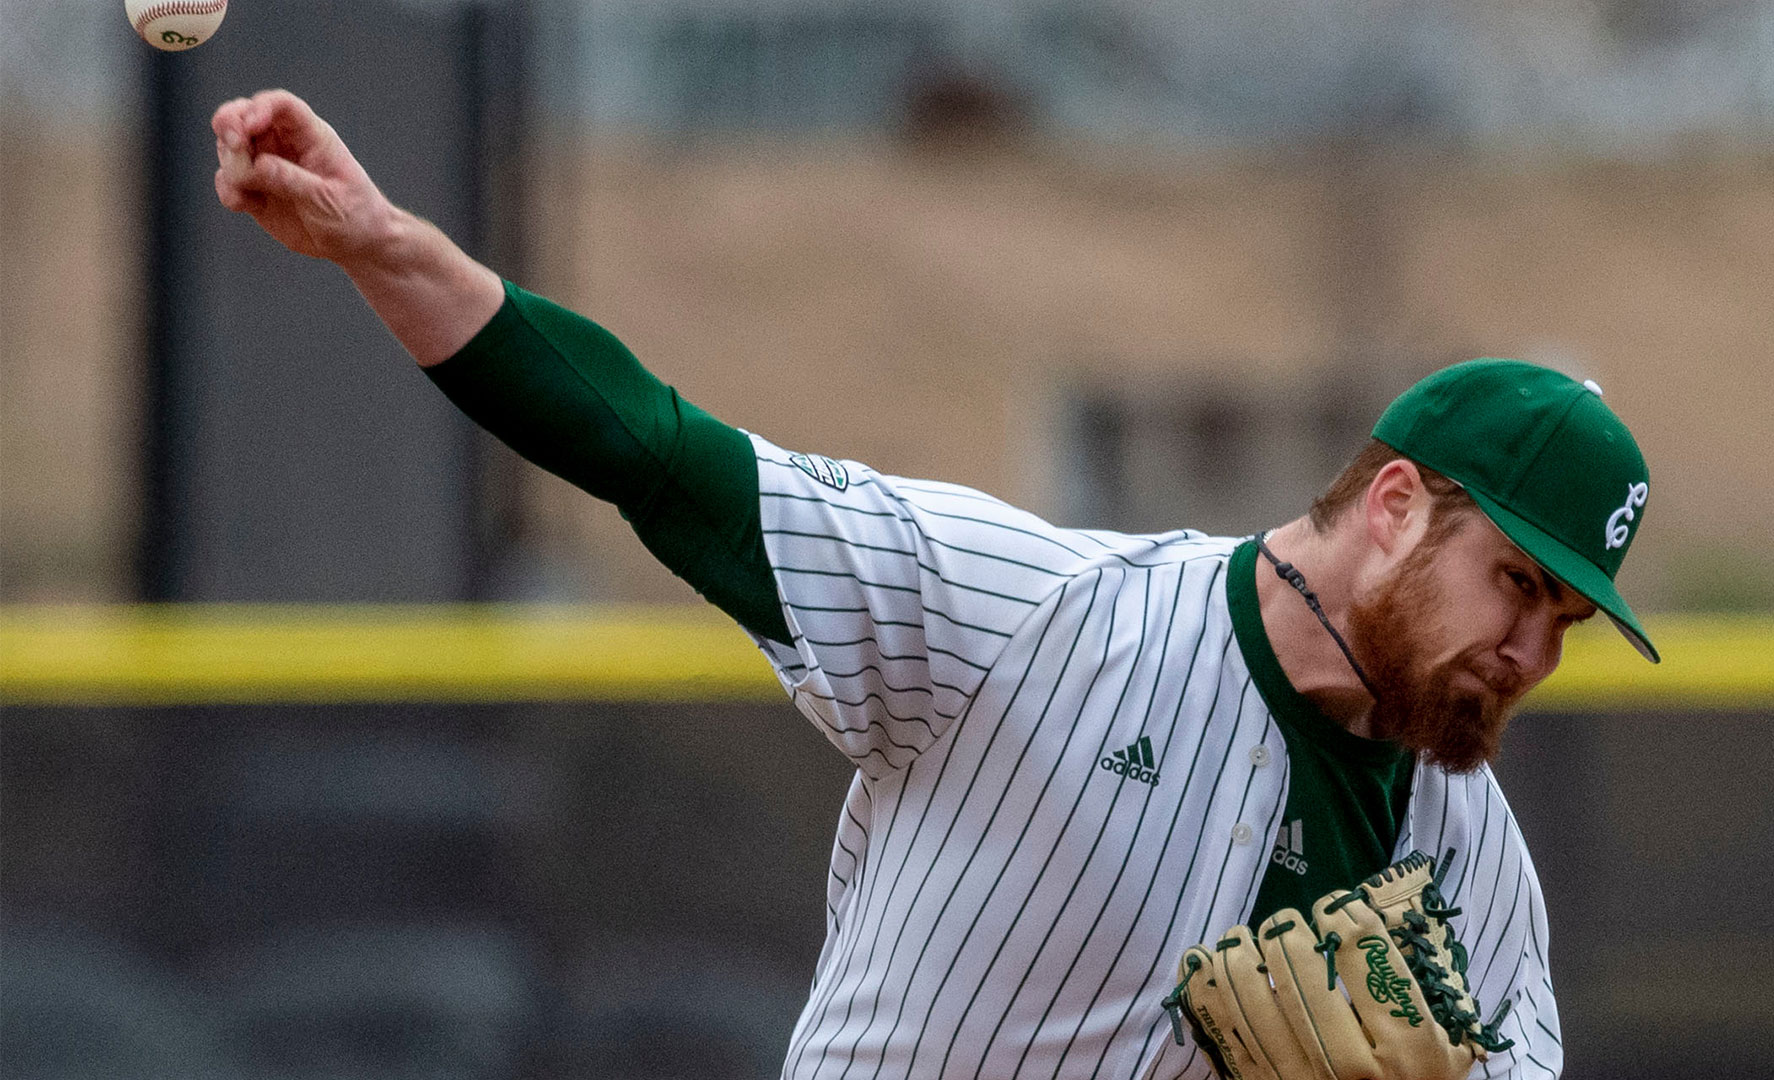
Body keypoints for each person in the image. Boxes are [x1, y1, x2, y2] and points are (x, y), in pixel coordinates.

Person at [212, 88, 1657, 1080]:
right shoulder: (1031, 613)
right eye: (1515, 582)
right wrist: (387, 248)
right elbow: (657, 453)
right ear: (1396, 507)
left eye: (1566, 619)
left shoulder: (1471, 867)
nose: (1532, 650)